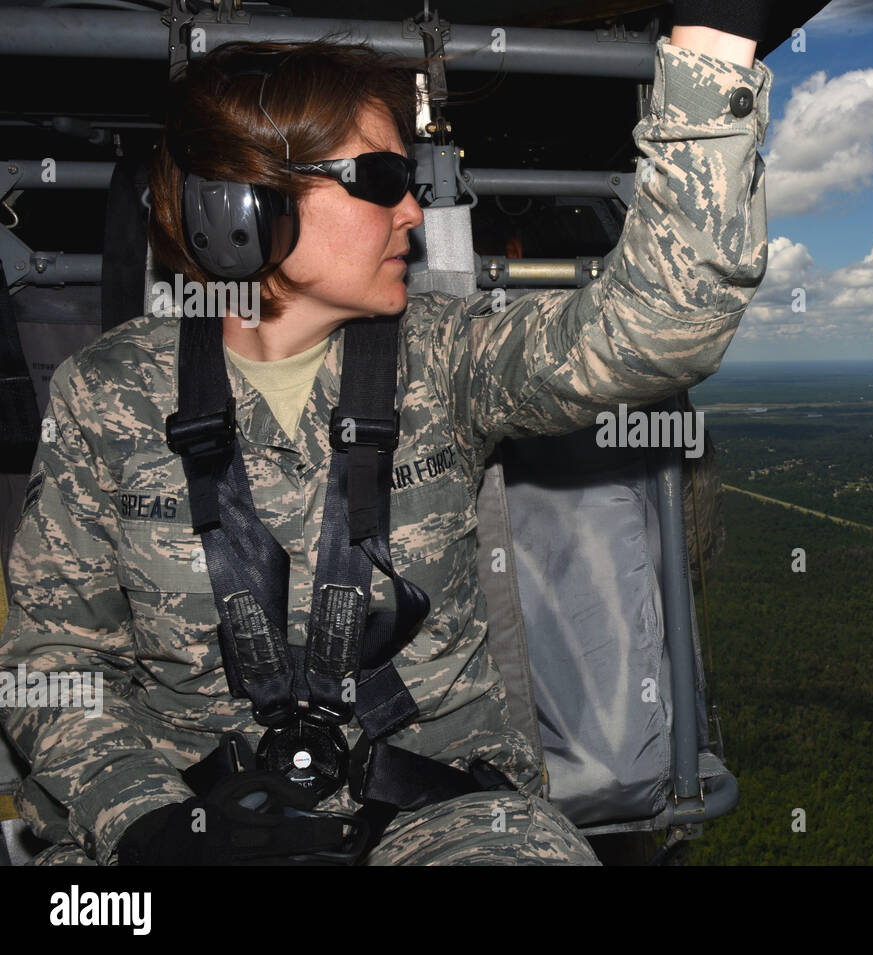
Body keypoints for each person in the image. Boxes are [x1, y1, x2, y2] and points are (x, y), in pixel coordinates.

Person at [0, 12, 772, 865]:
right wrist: (143, 820)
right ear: (240, 205)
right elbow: (51, 661)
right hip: (187, 814)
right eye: (380, 178)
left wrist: (715, 44)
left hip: (439, 815)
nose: (414, 208)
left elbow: (654, 330)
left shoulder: (447, 354)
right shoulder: (105, 395)